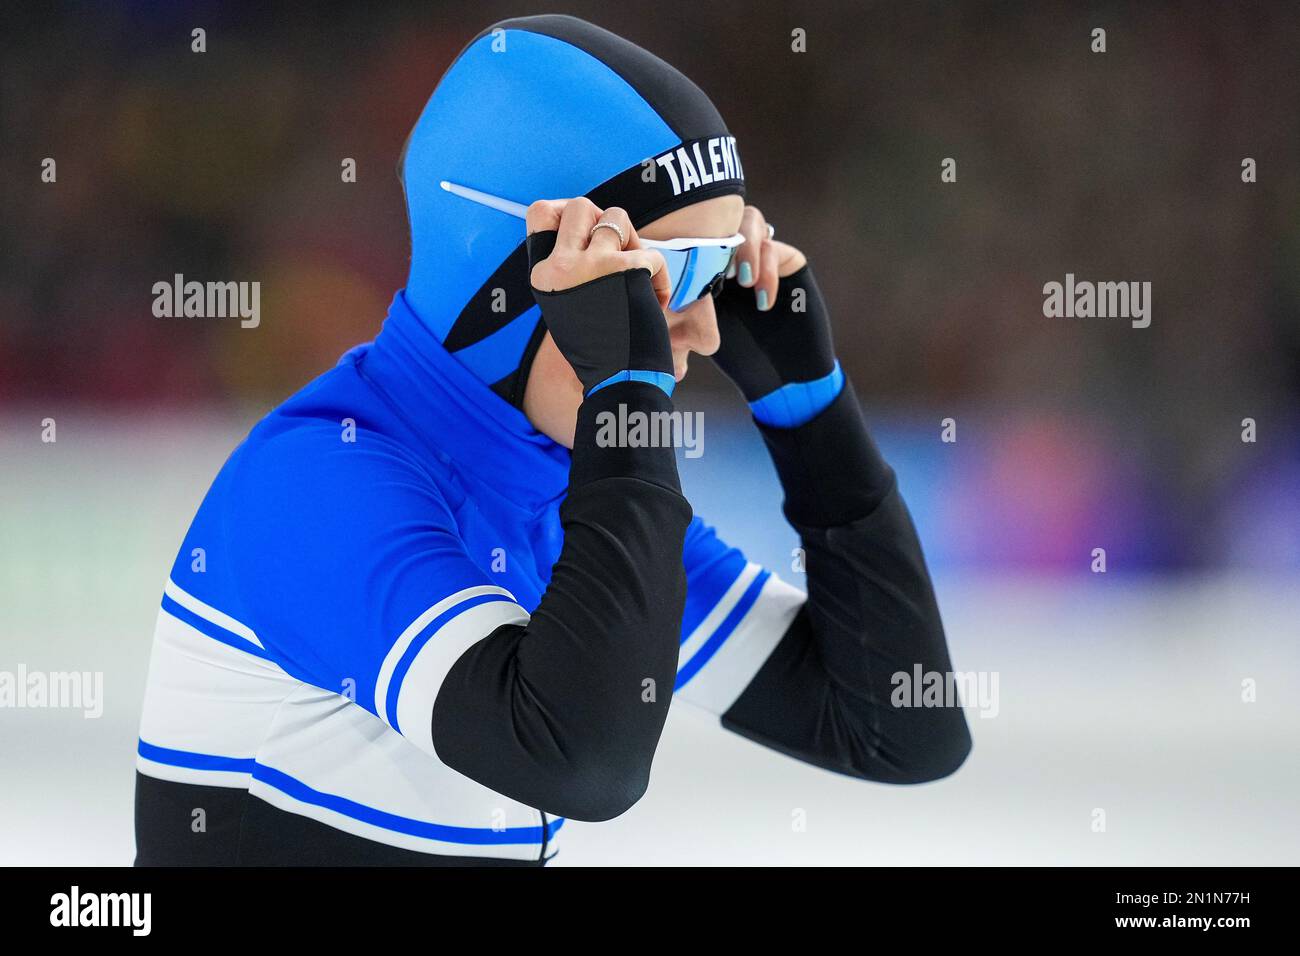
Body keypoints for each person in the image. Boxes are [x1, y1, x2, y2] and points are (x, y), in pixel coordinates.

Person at [133, 14, 971, 866]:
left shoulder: (555, 489)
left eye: (718, 270)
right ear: (514, 272)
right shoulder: (318, 481)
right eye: (664, 274)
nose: (705, 331)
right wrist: (626, 390)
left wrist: (810, 409)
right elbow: (582, 760)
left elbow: (900, 728)